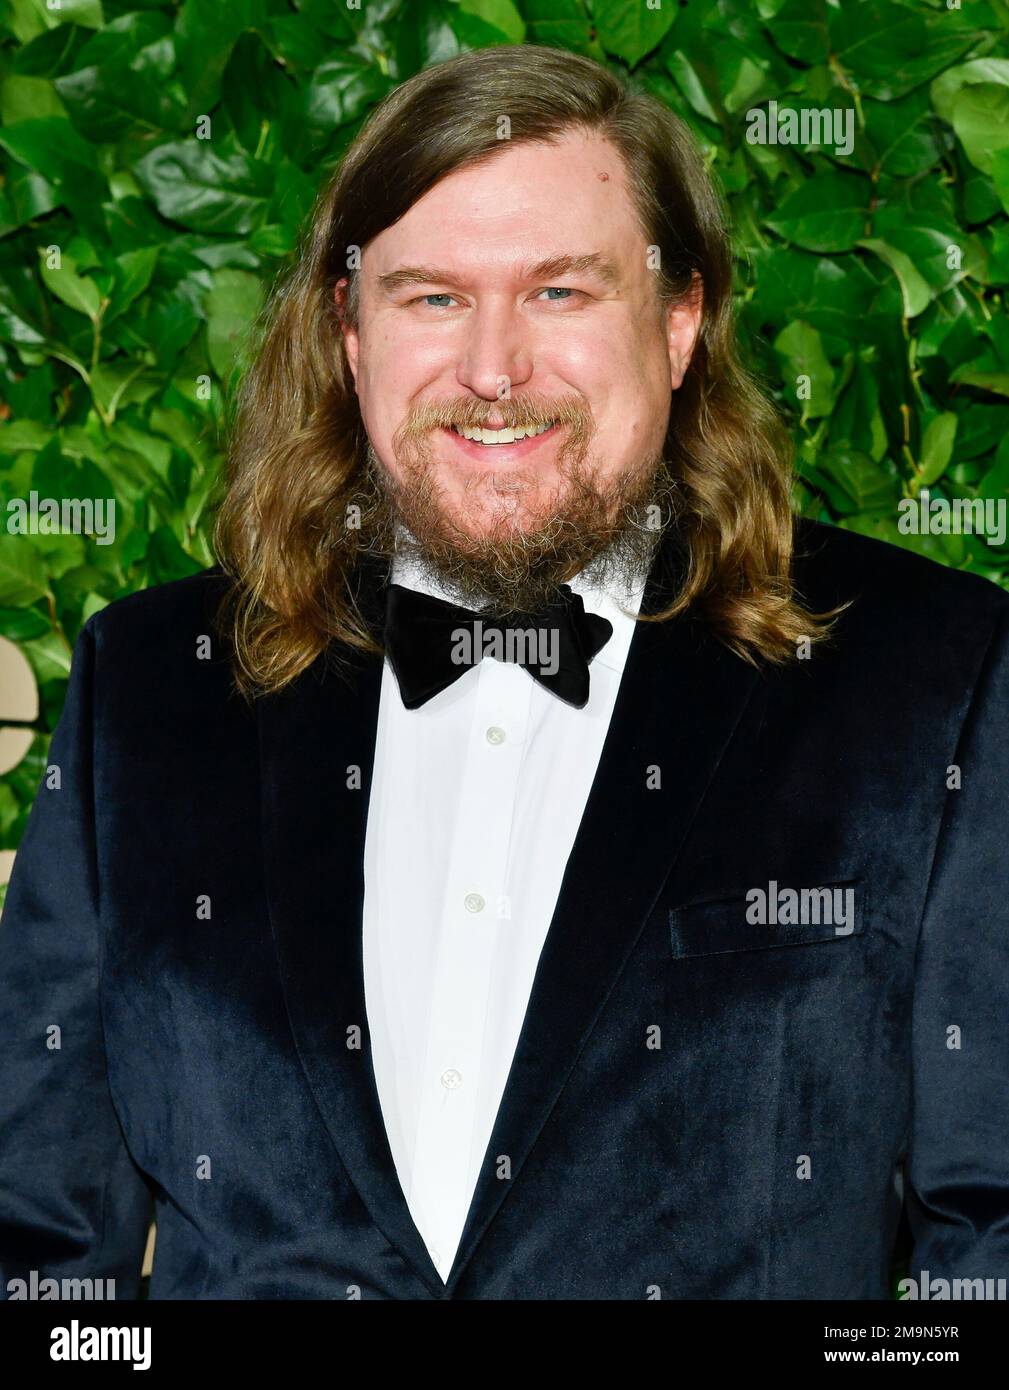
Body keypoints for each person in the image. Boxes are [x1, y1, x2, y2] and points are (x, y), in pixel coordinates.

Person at [1, 44, 1007, 1302]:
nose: (491, 369)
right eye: (430, 298)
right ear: (349, 335)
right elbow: (43, 1262)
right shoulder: (148, 685)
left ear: (681, 319)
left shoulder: (925, 674)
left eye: (560, 294)